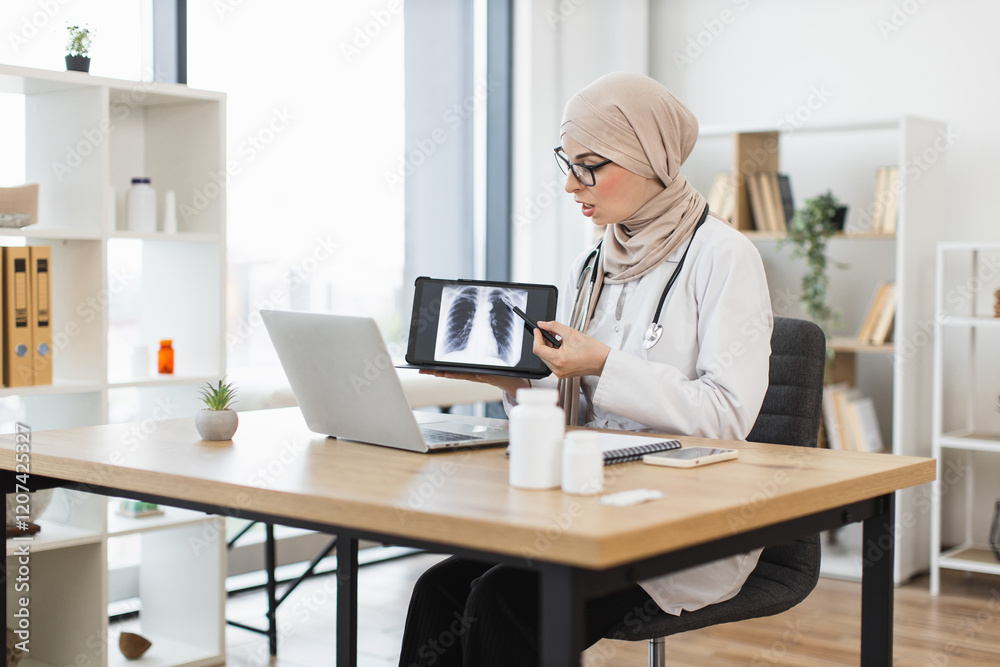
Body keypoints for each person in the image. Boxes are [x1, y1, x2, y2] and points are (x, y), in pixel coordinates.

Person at [397, 72, 772, 667]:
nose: (571, 185)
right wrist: (516, 387)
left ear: (651, 159)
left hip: (679, 518)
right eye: (566, 164)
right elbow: (576, 411)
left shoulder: (723, 256)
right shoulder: (590, 262)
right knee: (437, 588)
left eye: (590, 166)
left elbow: (726, 417)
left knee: (504, 602)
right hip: (586, 498)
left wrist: (602, 361)